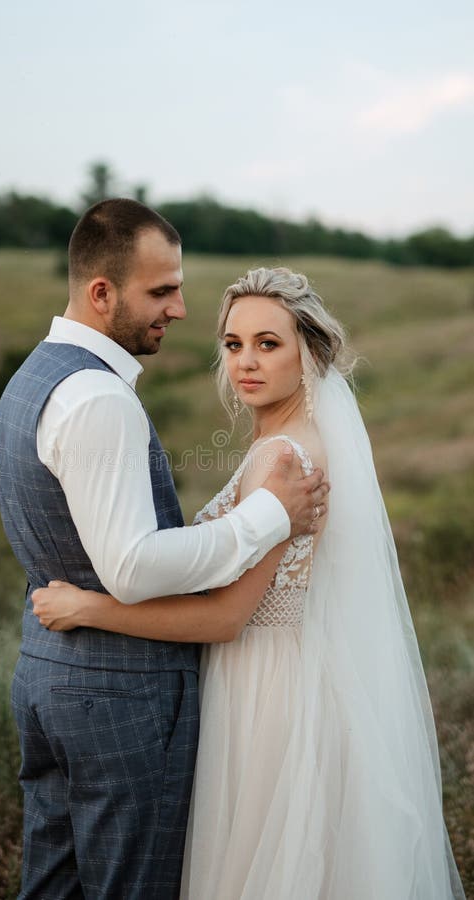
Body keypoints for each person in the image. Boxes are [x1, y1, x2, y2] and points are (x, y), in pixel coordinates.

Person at [33, 267, 466, 900]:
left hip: (267, 697)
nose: (246, 362)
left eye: (269, 343)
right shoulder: (297, 441)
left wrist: (89, 607)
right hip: (297, 675)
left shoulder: (281, 458)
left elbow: (225, 618)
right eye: (234, 344)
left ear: (309, 352)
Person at [0, 205, 329, 900]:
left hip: (48, 676)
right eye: (160, 291)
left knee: (52, 884)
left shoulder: (33, 377)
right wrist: (268, 516)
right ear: (101, 293)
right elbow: (133, 567)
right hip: (117, 696)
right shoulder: (98, 399)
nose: (179, 309)